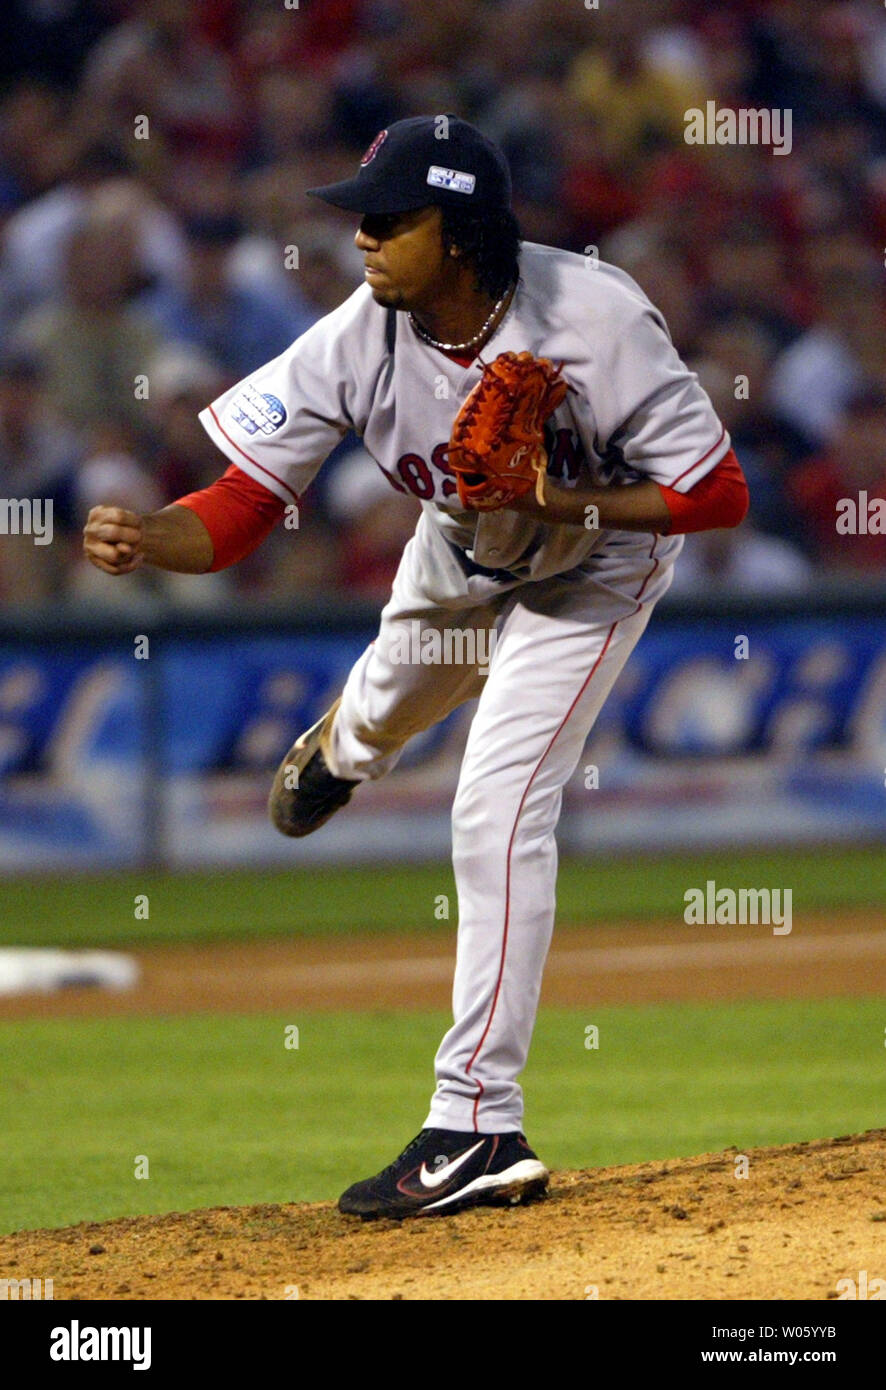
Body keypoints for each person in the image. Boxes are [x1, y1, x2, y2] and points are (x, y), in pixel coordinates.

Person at [84, 116, 748, 1220]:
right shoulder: (356, 337)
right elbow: (247, 503)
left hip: (597, 566)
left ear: (466, 230)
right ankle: (345, 748)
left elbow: (717, 492)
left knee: (495, 807)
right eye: (361, 217)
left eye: (391, 219)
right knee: (385, 701)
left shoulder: (595, 311)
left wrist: (559, 498)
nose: (363, 238)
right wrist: (154, 536)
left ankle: (475, 1125)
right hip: (455, 546)